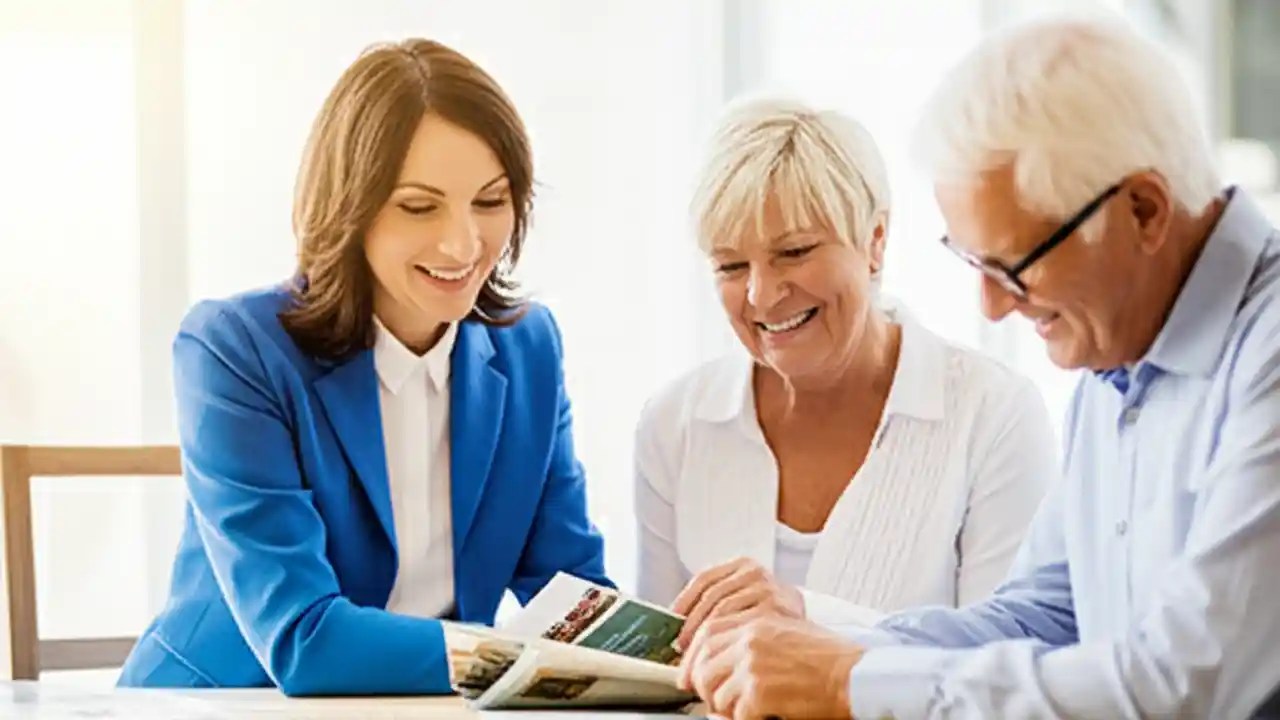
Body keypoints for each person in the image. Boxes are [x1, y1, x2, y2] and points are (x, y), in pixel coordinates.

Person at [679, 16, 1280, 720]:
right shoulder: (1120, 353)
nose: (993, 307)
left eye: (1013, 266)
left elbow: (1189, 684)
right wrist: (823, 649)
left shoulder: (1263, 358)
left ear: (1143, 210)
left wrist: (848, 684)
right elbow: (1044, 618)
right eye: (974, 263)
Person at [117, 39, 609, 695]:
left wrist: (694, 646)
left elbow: (574, 597)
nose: (462, 243)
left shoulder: (530, 351)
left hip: (427, 706)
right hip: (227, 705)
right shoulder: (233, 350)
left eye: (489, 202)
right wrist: (521, 659)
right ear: (351, 206)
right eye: (418, 206)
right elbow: (306, 642)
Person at [633, 97, 1057, 649]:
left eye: (794, 251)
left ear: (875, 241)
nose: (761, 295)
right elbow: (655, 674)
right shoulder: (675, 423)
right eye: (731, 266)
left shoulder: (994, 414)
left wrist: (805, 617)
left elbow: (1002, 670)